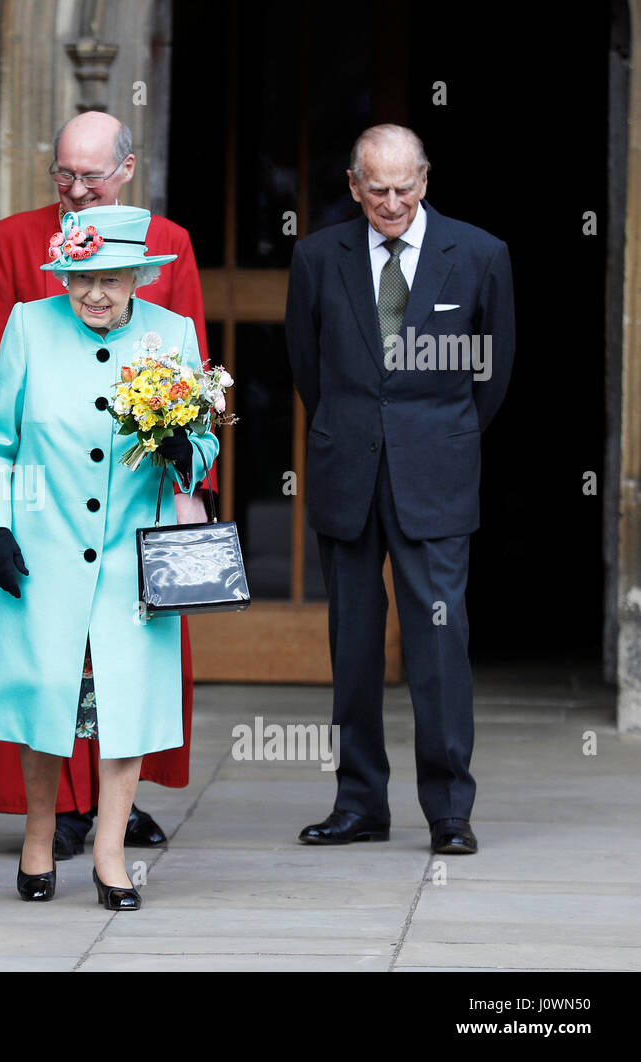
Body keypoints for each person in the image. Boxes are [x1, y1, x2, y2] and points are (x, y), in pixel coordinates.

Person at [0, 110, 213, 857]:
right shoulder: (13, 239)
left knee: (128, 666)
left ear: (126, 170)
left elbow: (193, 380)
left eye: (89, 177)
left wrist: (194, 478)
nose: (73, 190)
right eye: (61, 175)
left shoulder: (170, 246)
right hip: (45, 501)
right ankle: (51, 816)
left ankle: (113, 818)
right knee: (46, 660)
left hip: (135, 506)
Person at [285, 124, 515, 855]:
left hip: (436, 476)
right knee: (353, 646)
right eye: (376, 189)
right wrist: (352, 429)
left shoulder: (479, 255)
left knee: (439, 645)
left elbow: (493, 372)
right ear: (353, 186)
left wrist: (437, 435)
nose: (391, 202)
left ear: (425, 180)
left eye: (404, 187)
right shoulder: (317, 256)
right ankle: (360, 804)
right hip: (347, 471)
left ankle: (450, 808)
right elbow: (306, 370)